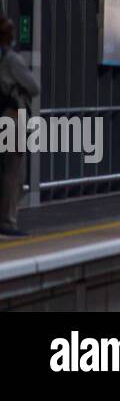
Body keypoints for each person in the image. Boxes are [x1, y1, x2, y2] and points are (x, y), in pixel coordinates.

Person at [0, 17, 40, 237]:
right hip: (12, 117)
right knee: (14, 172)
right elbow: (34, 87)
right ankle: (7, 221)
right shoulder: (12, 59)